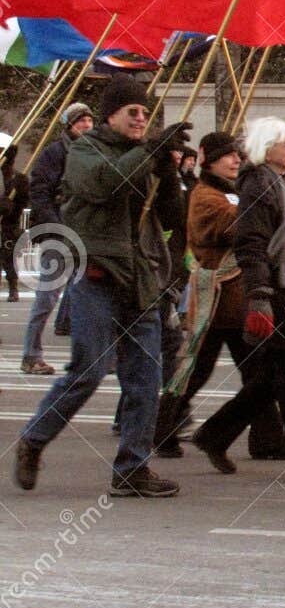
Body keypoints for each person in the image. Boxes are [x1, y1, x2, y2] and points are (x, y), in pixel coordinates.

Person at [13, 77, 189, 497]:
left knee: (146, 380)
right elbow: (104, 185)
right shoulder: (84, 149)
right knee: (88, 370)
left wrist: (165, 170)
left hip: (140, 280)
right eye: (133, 111)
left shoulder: (145, 156)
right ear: (111, 114)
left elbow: (170, 219)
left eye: (145, 114)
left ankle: (132, 468)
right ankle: (34, 439)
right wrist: (149, 152)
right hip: (96, 277)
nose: (141, 119)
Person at [191, 118, 285, 484]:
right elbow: (251, 244)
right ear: (266, 148)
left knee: (275, 378)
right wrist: (259, 295)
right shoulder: (259, 185)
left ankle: (214, 433)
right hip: (276, 293)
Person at [153, 131, 281, 459]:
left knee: (257, 371)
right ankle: (161, 429)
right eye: (228, 155)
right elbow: (234, 227)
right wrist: (260, 205)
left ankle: (266, 440)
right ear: (209, 159)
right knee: (200, 371)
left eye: (238, 155)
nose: (236, 160)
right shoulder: (204, 195)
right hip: (217, 300)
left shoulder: (232, 192)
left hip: (236, 301)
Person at [19, 100, 94, 375]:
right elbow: (39, 193)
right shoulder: (54, 153)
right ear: (70, 124)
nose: (86, 125)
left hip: (85, 234)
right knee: (47, 298)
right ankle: (31, 354)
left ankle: (89, 357)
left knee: (87, 297)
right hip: (59, 235)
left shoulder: (93, 152)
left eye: (89, 120)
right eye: (80, 120)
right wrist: (57, 226)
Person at [1, 144, 23, 302]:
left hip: (8, 225)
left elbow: (22, 203)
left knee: (9, 258)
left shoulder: (17, 179)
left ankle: (13, 287)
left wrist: (11, 207)